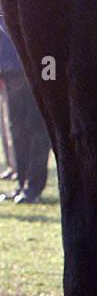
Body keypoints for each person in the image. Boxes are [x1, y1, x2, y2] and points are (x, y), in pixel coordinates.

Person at [0, 13, 51, 205]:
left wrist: (50, 78)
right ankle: (22, 184)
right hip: (11, 69)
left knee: (37, 128)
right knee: (17, 129)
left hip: (37, 69)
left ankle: (33, 186)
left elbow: (50, 37)